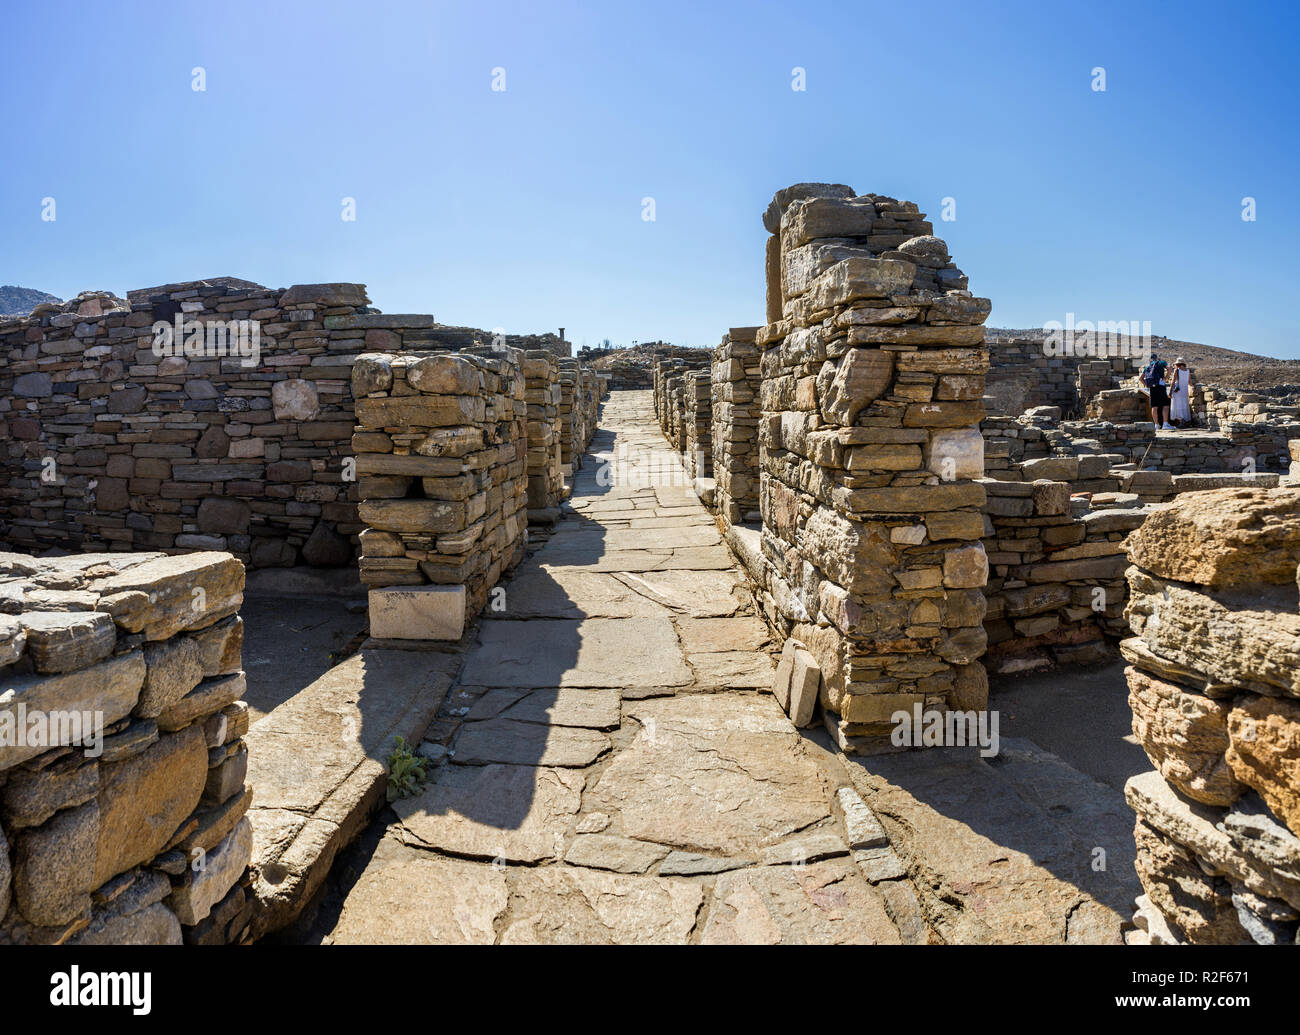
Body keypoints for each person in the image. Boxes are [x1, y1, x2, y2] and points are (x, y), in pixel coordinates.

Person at [1142, 352, 1174, 430]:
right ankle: (1165, 424)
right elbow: (1169, 368)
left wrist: (1146, 385)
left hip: (1152, 387)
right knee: (1165, 405)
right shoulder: (1161, 362)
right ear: (1156, 358)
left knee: (1154, 406)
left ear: (1150, 359)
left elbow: (1140, 378)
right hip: (1160, 385)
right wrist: (1166, 378)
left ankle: (1156, 425)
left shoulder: (1147, 367)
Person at [1169, 357, 1192, 426]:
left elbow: (1173, 381)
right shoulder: (1187, 371)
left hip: (1178, 391)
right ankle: (1184, 421)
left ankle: (1180, 421)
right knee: (1184, 405)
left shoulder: (1177, 370)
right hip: (1185, 391)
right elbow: (1189, 382)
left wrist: (1170, 391)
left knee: (1177, 405)